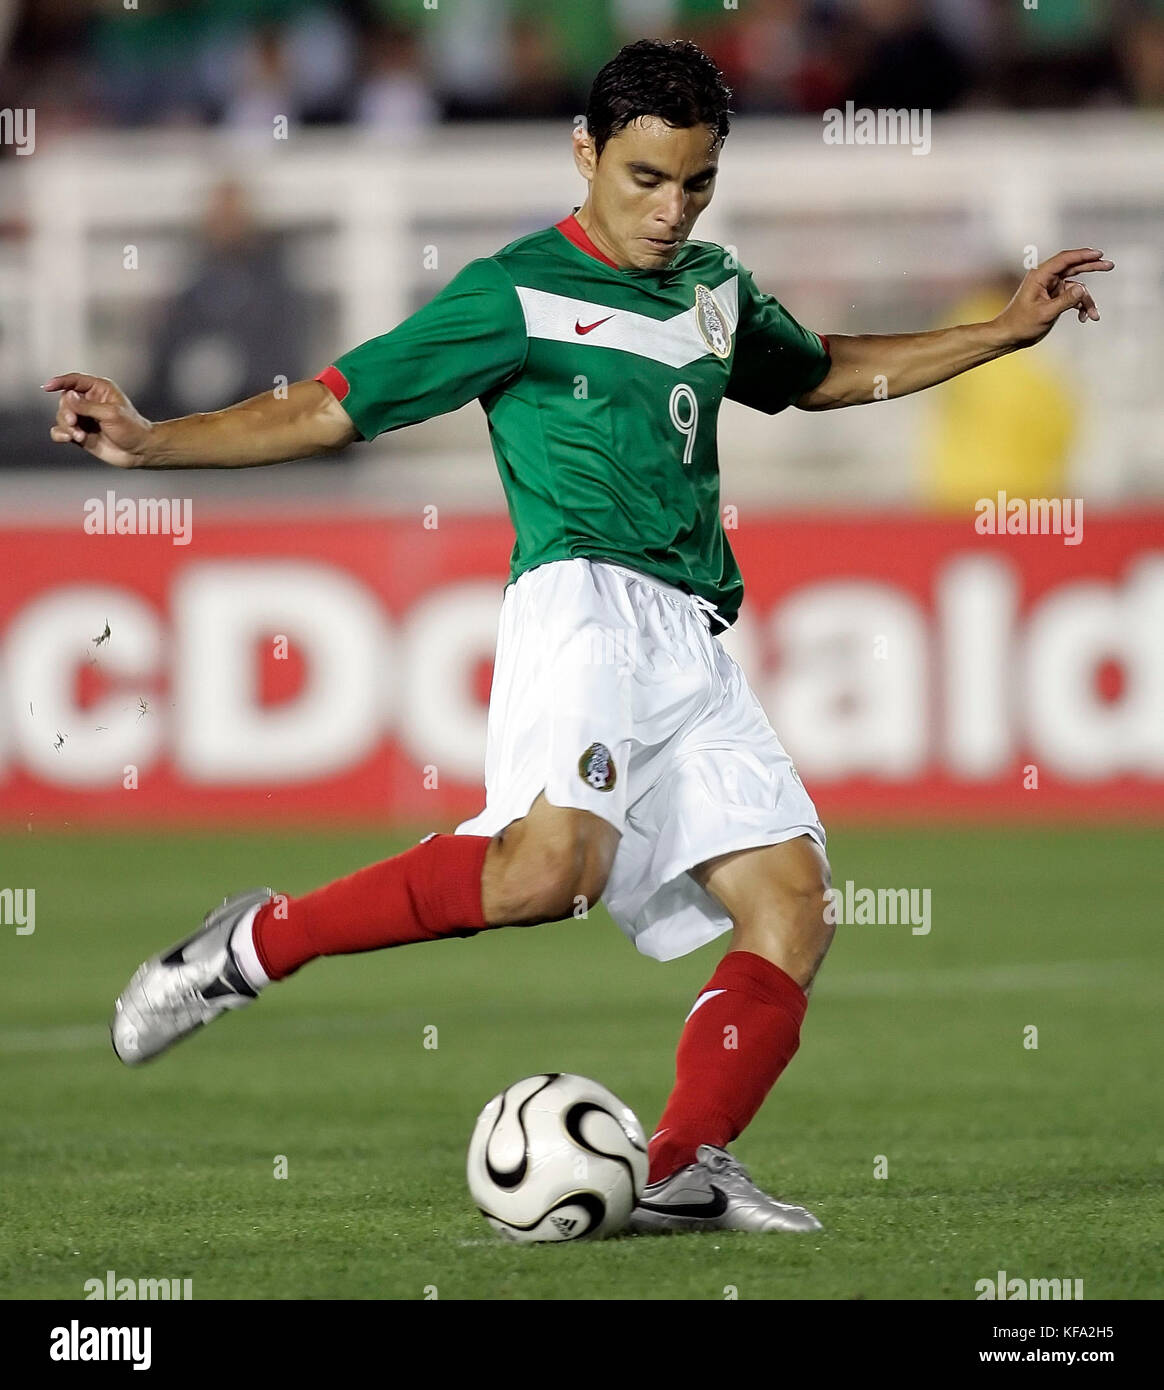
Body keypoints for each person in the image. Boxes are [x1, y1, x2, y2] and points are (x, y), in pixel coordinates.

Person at [45, 39, 1112, 1236]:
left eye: (696, 182)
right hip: (584, 602)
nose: (670, 209)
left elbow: (818, 375)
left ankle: (684, 1162)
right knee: (544, 874)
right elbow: (329, 405)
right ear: (586, 151)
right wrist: (152, 442)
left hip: (695, 637)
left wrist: (1000, 333)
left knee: (792, 904)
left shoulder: (713, 289)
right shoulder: (514, 293)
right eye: (645, 177)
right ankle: (251, 944)